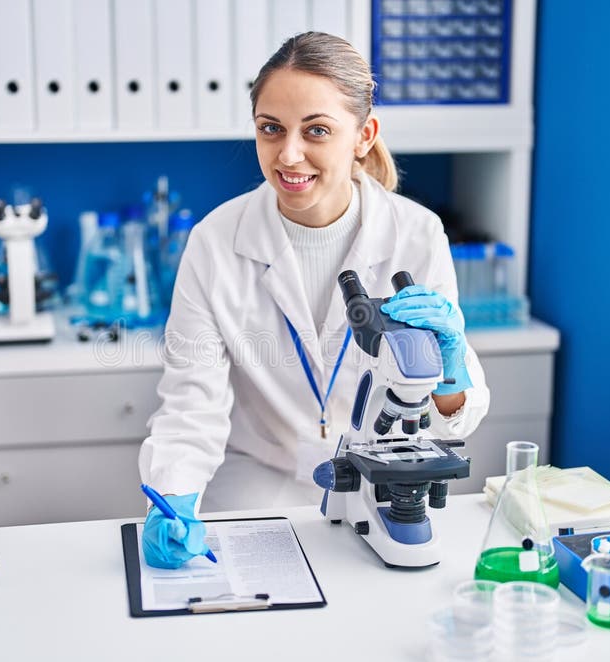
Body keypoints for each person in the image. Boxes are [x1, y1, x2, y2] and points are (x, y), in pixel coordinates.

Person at [138, 32, 490, 568]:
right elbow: (192, 404)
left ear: (363, 135)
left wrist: (449, 368)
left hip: (383, 484)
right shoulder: (215, 242)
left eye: (317, 130)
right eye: (270, 129)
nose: (289, 154)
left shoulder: (416, 235)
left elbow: (451, 421)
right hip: (256, 490)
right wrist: (173, 497)